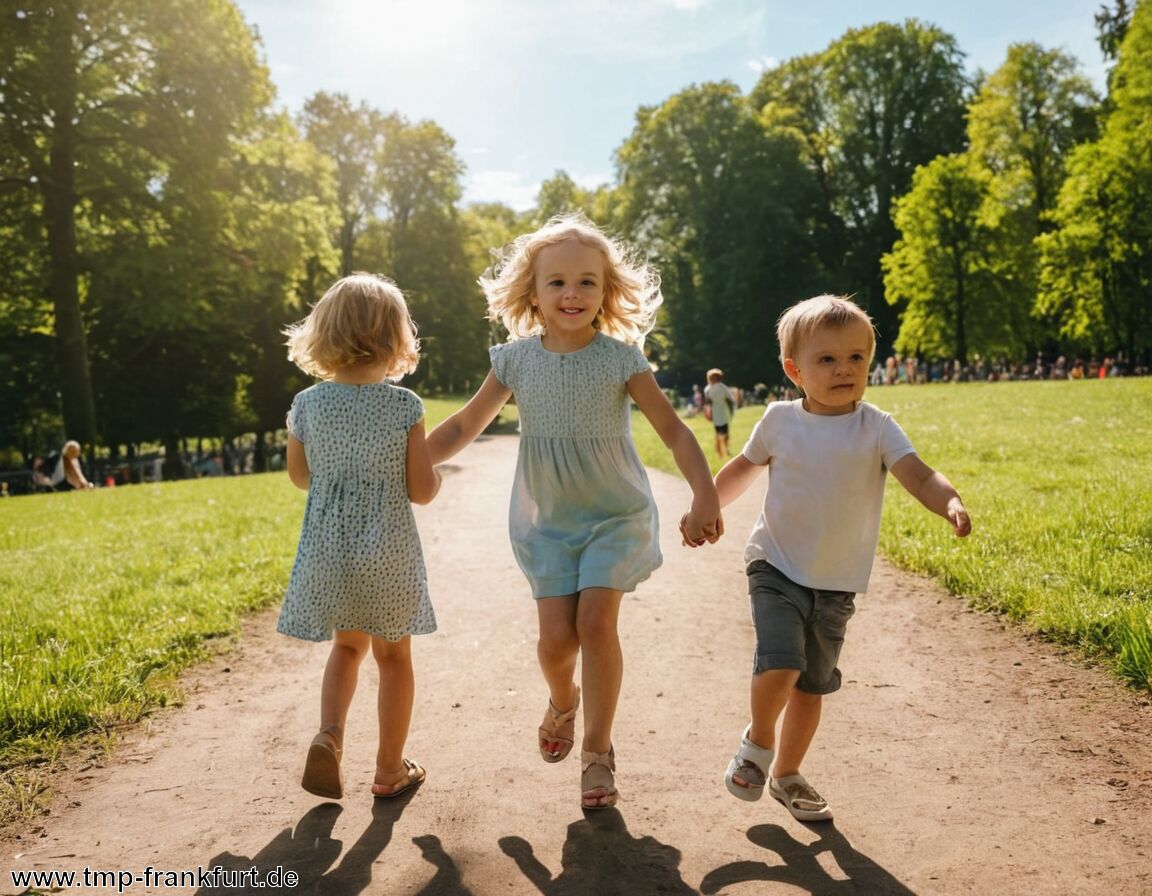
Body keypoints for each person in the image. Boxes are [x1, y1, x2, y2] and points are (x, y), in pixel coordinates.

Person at [427, 213, 722, 810]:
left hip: (616, 515)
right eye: (557, 282)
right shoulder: (514, 361)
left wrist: (705, 493)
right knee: (556, 642)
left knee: (595, 624)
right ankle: (563, 700)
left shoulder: (622, 359)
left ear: (606, 291)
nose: (572, 293)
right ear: (533, 293)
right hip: (548, 523)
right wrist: (411, 463)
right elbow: (463, 425)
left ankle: (597, 751)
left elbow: (674, 430)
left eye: (587, 281)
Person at [709, 295, 971, 822]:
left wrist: (950, 502)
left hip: (836, 583)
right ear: (795, 371)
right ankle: (758, 744)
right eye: (827, 359)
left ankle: (787, 775)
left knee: (811, 687)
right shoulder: (780, 420)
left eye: (856, 358)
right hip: (775, 564)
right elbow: (741, 468)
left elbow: (919, 474)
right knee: (782, 662)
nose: (844, 369)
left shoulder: (876, 427)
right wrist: (705, 506)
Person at [278, 272, 442, 801]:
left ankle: (329, 736)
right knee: (393, 658)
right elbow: (421, 491)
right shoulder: (404, 407)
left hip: (329, 551)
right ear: (396, 338)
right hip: (387, 554)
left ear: (323, 333)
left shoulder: (307, 405)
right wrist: (433, 474)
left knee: (347, 648)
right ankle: (390, 770)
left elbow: (300, 477)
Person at [703, 368, 738, 459]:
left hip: (715, 412)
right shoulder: (722, 387)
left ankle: (720, 451)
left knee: (718, 432)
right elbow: (731, 398)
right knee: (725, 432)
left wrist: (707, 413)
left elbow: (707, 402)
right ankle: (725, 449)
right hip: (723, 411)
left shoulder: (708, 389)